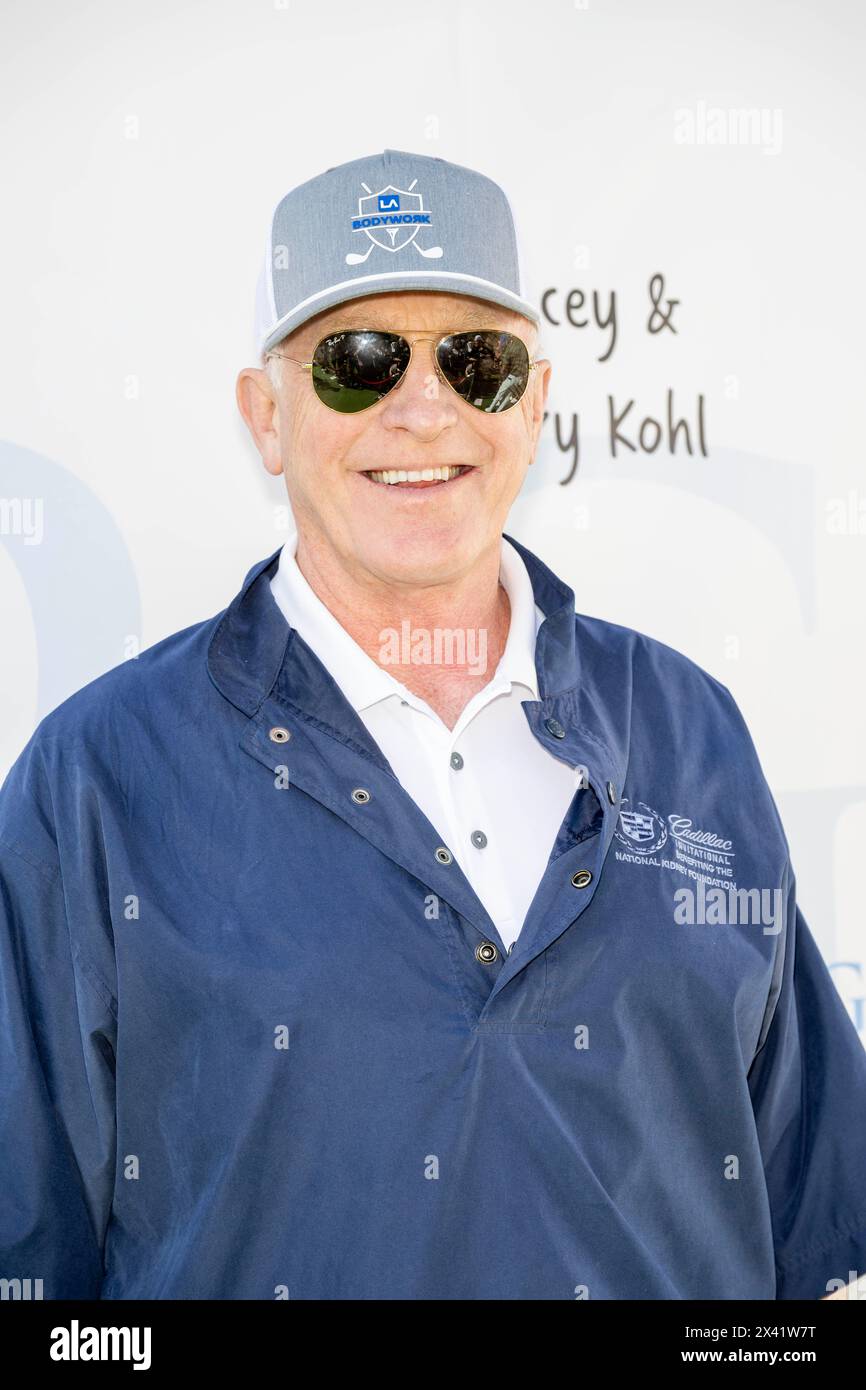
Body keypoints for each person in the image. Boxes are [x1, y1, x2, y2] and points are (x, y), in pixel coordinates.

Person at [1, 148, 864, 1302]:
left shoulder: (691, 731)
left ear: (535, 403)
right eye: (358, 364)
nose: (421, 408)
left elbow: (819, 1225)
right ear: (266, 416)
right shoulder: (95, 778)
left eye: (475, 361)